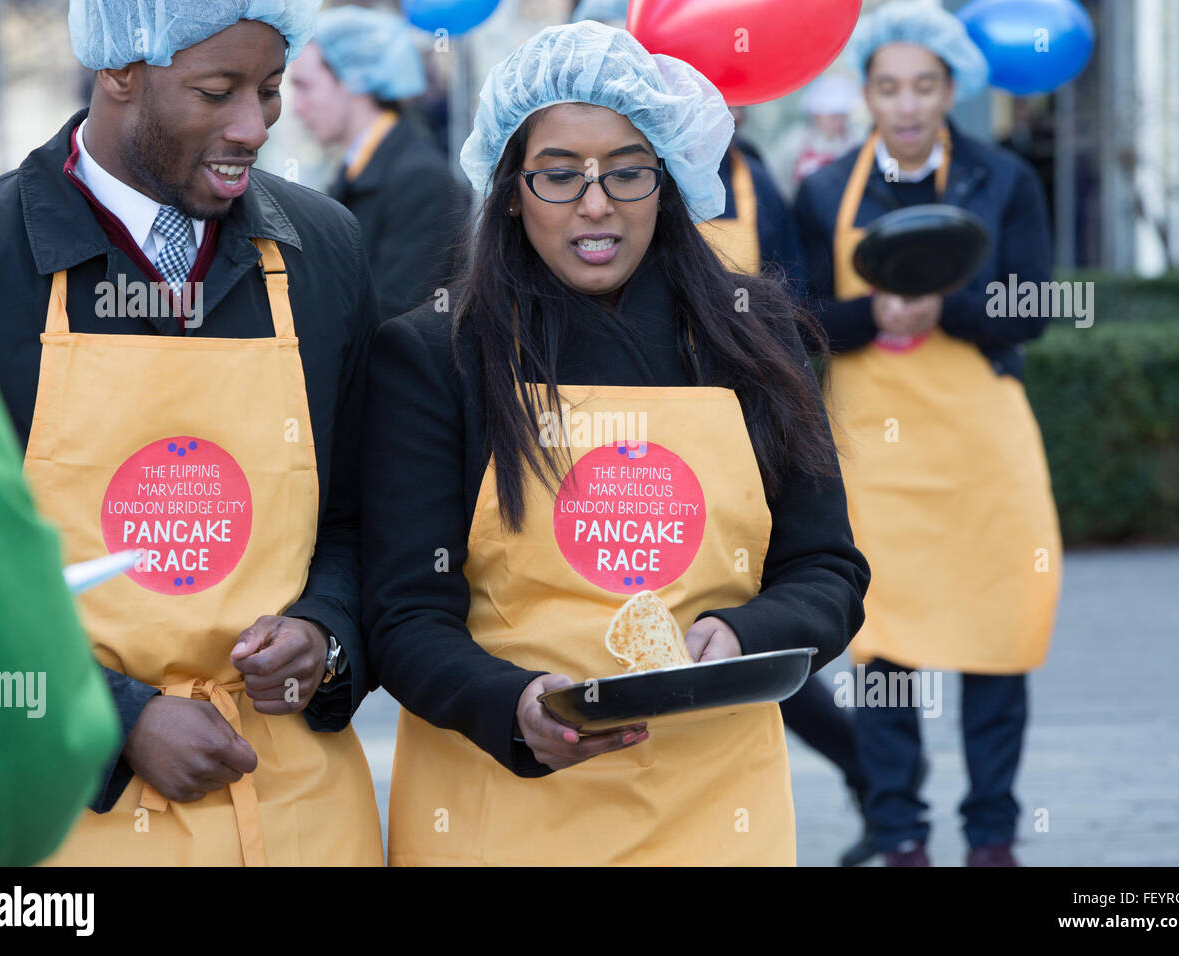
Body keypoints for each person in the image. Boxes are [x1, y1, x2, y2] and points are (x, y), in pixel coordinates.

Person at [363, 21, 869, 866]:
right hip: (501, 809)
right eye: (559, 175)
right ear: (511, 190)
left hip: (713, 807)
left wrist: (750, 634)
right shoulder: (437, 353)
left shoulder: (751, 336)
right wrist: (516, 705)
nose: (595, 204)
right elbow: (405, 614)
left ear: (668, 181)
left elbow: (828, 568)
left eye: (627, 172)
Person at [0, 0, 383, 866]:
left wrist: (326, 635)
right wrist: (120, 717)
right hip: (69, 825)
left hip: (298, 811)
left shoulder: (322, 250)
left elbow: (362, 519)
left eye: (269, 88)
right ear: (119, 72)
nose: (253, 127)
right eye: (217, 91)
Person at [794, 0, 1062, 867]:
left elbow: (1034, 310)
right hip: (877, 451)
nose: (906, 106)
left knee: (997, 633)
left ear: (952, 89)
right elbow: (800, 323)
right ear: (864, 93)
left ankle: (992, 834)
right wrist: (872, 314)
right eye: (888, 88)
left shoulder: (1006, 179)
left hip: (982, 444)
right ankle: (901, 827)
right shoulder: (823, 189)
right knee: (882, 647)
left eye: (924, 87)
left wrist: (945, 305)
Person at [0, 266, 119, 865]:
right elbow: (19, 758)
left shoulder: (319, 247)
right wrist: (130, 710)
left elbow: (346, 520)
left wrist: (326, 632)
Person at [290, 5, 464, 321]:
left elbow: (398, 319)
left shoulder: (421, 181)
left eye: (304, 86)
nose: (296, 108)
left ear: (354, 79)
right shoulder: (359, 169)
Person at [697, 107, 808, 299]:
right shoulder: (660, 181)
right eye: (722, 103)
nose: (735, 116)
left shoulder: (759, 183)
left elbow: (791, 282)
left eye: (740, 106)